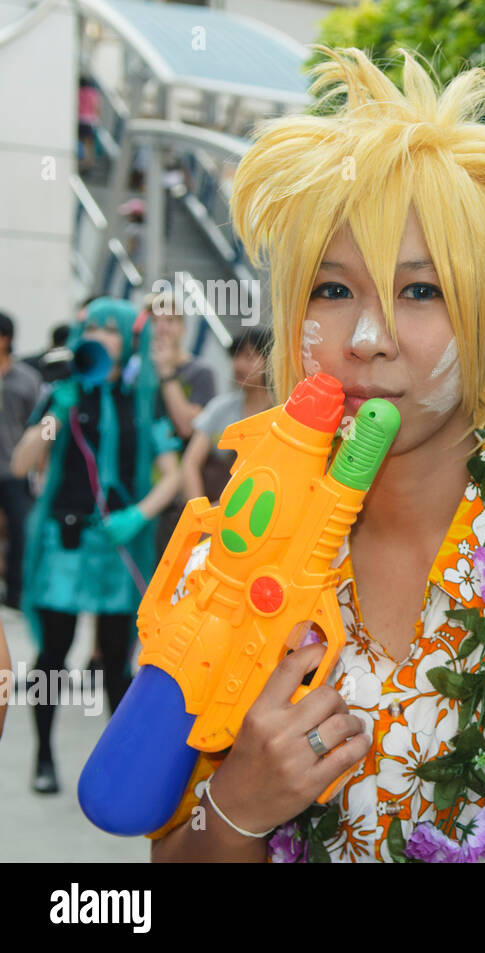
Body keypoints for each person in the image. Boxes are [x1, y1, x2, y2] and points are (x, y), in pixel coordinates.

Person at [147, 46, 485, 862]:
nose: (367, 338)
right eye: (331, 289)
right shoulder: (218, 573)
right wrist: (242, 806)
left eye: (421, 291)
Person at [10, 297, 182, 794]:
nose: (101, 336)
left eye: (112, 329)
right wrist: (55, 414)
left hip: (117, 549)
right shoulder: (62, 394)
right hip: (64, 543)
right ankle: (43, 756)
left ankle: (117, 769)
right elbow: (23, 464)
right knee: (53, 657)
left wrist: (138, 516)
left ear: (130, 339)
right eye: (93, 327)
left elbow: (170, 476)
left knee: (116, 660)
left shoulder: (143, 398)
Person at [147, 290, 216, 554]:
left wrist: (165, 373)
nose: (163, 328)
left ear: (183, 328)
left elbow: (188, 427)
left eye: (171, 320)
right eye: (156, 320)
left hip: (176, 496)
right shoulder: (135, 370)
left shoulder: (200, 373)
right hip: (140, 488)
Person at [181, 327, 274, 504]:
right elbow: (190, 463)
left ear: (270, 361)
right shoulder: (220, 408)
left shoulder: (280, 415)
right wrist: (201, 513)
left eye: (249, 356)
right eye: (236, 356)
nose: (238, 364)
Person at [0, 312, 43, 608]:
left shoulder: (28, 379)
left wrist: (42, 461)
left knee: (21, 533)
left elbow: (45, 425)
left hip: (14, 471)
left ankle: (16, 594)